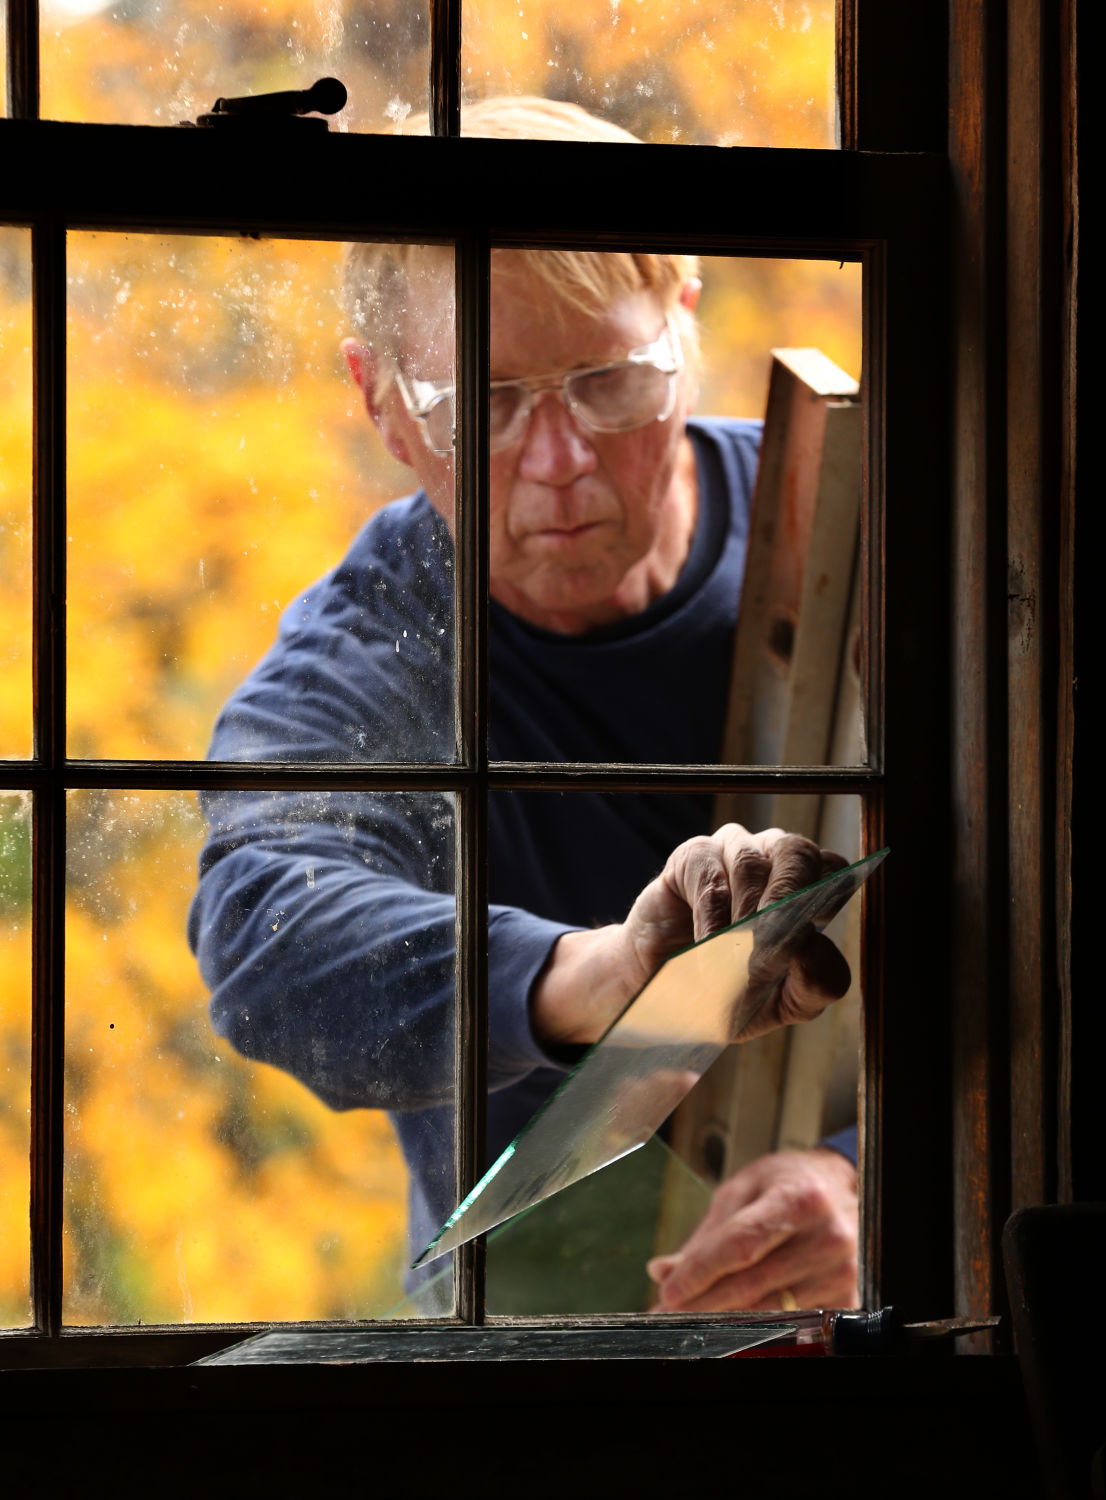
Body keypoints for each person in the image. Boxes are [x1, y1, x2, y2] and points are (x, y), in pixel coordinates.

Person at [188, 95, 860, 1315]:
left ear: (683, 319)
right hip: (532, 1363)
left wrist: (872, 1183)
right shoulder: (375, 643)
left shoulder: (860, 536)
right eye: (481, 404)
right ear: (380, 403)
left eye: (609, 382)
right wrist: (606, 975)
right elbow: (262, 932)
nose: (558, 464)